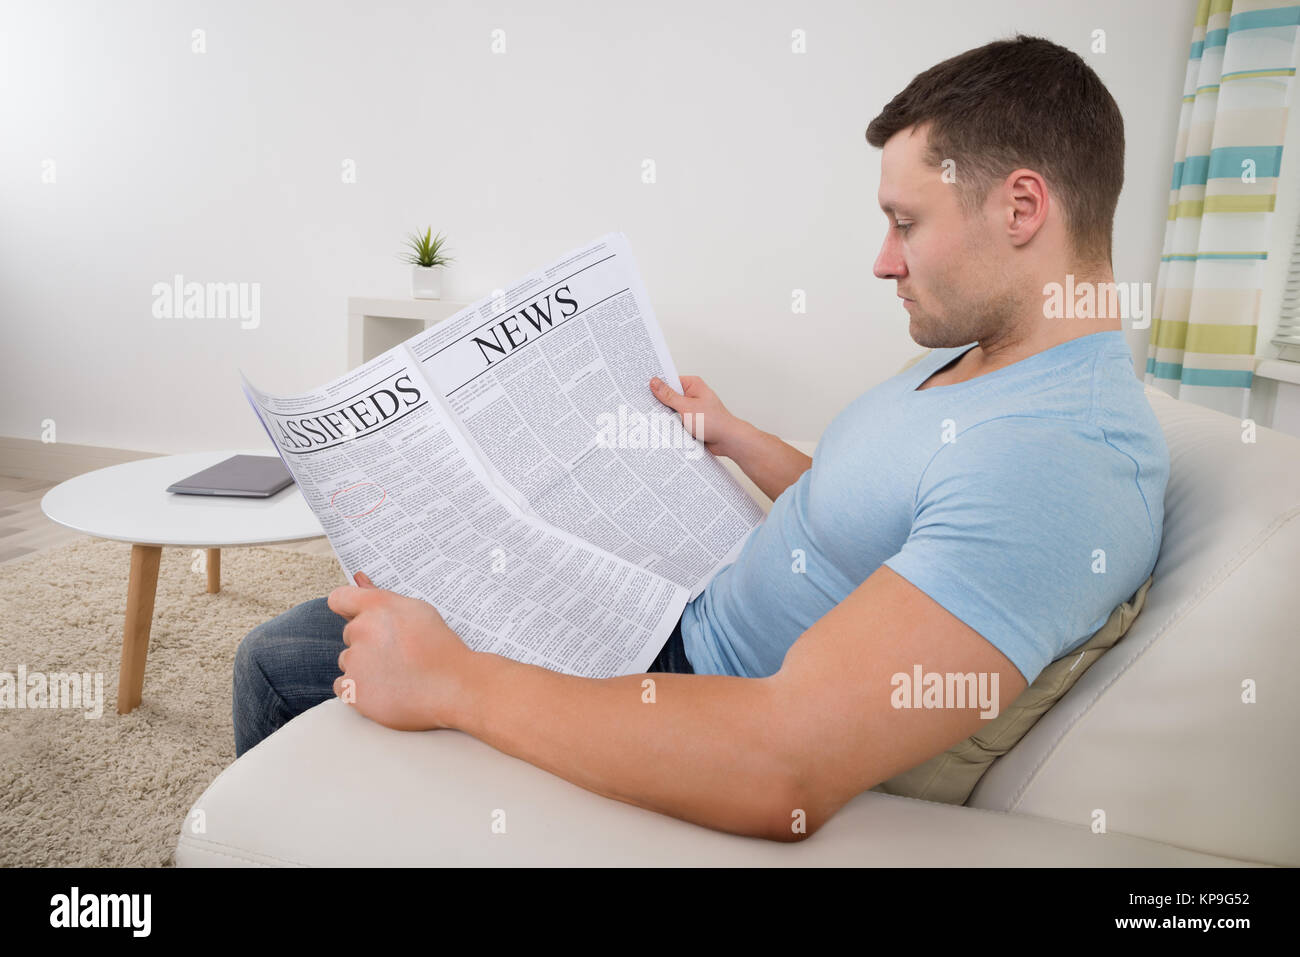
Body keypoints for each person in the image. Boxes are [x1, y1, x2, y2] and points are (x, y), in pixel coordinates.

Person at [233, 33, 1169, 842]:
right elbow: (890, 515)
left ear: (1021, 207)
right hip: (683, 598)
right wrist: (736, 438)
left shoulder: (1058, 461)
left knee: (279, 660)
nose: (882, 261)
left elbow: (783, 766)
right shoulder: (998, 365)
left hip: (684, 682)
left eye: (904, 223)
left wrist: (454, 682)